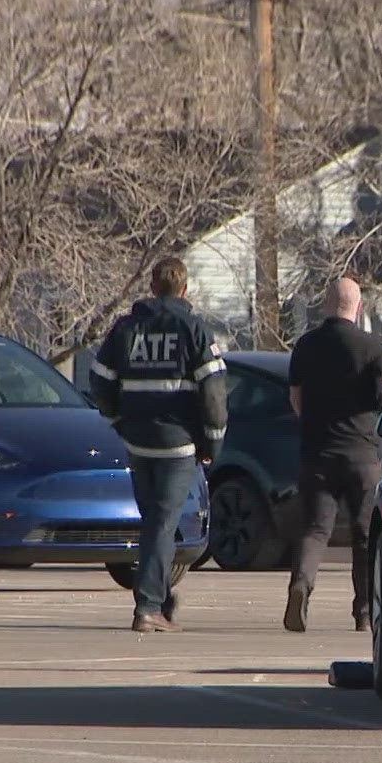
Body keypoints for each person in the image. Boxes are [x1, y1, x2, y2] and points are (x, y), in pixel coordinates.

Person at [90, 257, 227, 633]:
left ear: (152, 287)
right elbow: (214, 393)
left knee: (155, 521)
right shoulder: (194, 330)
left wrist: (118, 421)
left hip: (137, 441)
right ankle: (148, 607)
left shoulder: (126, 328)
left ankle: (162, 600)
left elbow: (99, 380)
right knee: (163, 523)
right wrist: (213, 442)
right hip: (178, 443)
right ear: (185, 289)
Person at [283, 275, 382, 633]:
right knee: (364, 535)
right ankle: (364, 612)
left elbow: (296, 399)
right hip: (361, 455)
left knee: (315, 529)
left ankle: (301, 585)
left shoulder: (306, 346)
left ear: (325, 304)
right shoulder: (373, 346)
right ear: (359, 306)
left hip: (317, 453)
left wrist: (315, 422)